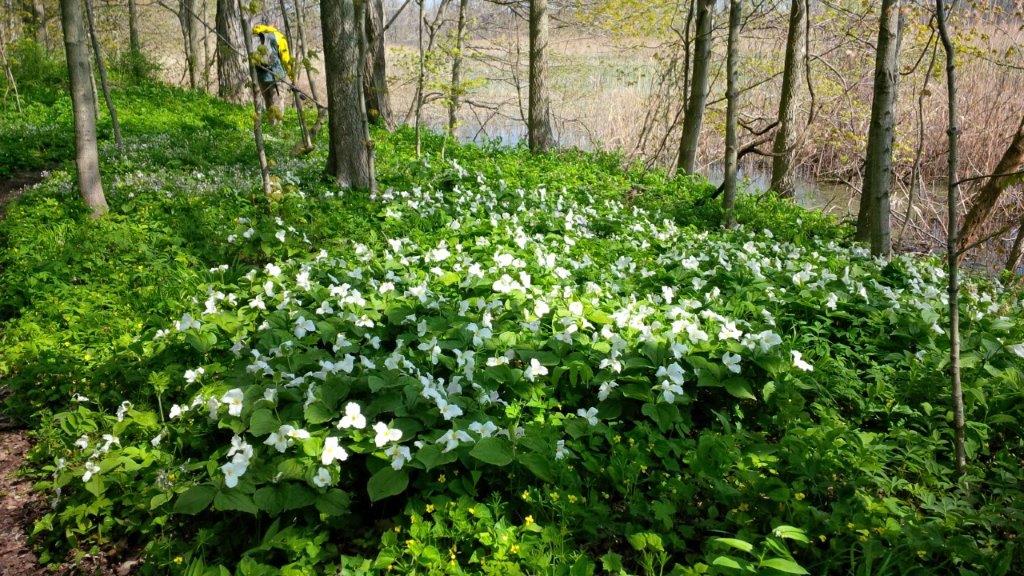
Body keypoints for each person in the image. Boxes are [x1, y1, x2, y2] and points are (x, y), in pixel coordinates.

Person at [252, 23, 287, 124]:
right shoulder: (278, 36)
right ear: (275, 26)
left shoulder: (255, 34)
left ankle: (271, 127)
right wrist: (291, 74)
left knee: (268, 102)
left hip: (261, 75)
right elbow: (285, 57)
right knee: (277, 103)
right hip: (276, 75)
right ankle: (277, 131)